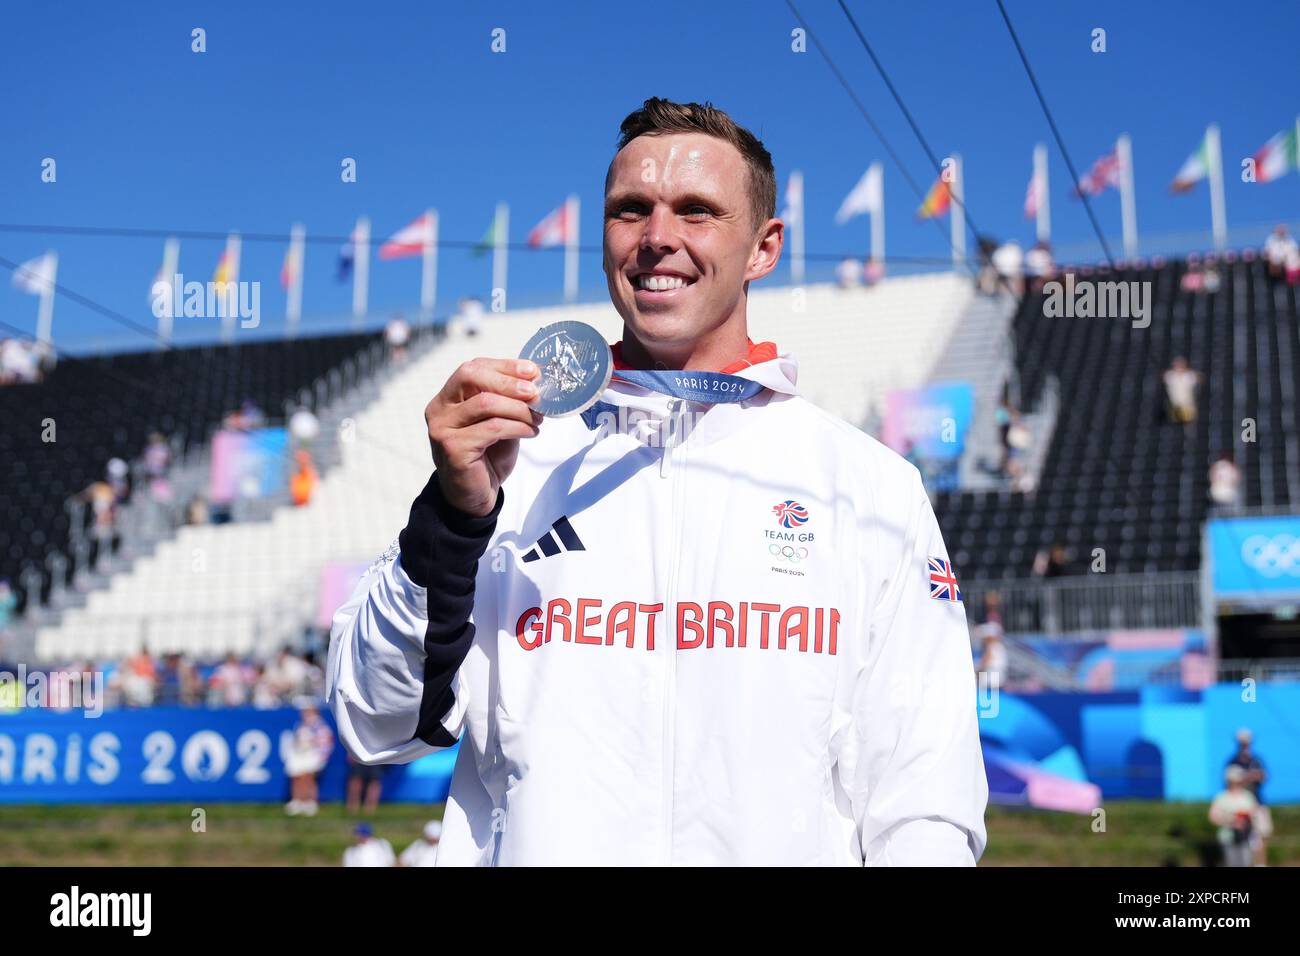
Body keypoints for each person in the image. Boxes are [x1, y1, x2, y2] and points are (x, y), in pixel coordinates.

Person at [327, 97, 988, 866]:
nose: (657, 238)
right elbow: (377, 721)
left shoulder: (869, 486)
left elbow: (924, 801)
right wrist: (451, 518)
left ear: (763, 248)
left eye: (697, 211)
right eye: (630, 210)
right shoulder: (510, 460)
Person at [1227, 728, 1271, 866]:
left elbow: (1263, 776)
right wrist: (1250, 776)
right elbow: (1230, 781)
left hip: (1257, 802)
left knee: (1261, 835)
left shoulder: (1256, 760)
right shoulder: (1233, 761)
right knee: (1241, 837)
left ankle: (1260, 864)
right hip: (1240, 804)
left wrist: (1246, 776)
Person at [284, 701, 334, 816]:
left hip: (311, 756)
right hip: (299, 756)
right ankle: (297, 801)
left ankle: (309, 801)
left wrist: (321, 757)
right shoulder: (301, 725)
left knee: (308, 779)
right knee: (297, 779)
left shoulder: (319, 726)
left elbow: (325, 742)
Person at [1209, 765, 1259, 868]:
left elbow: (1255, 814)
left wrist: (1247, 820)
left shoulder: (1247, 796)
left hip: (1245, 836)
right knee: (1231, 863)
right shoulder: (1222, 797)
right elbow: (1213, 817)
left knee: (1246, 862)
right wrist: (1231, 821)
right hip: (1228, 836)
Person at [1162, 356, 1201, 429]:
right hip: (1175, 406)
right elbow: (1162, 376)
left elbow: (1200, 378)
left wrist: (1188, 371)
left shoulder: (1189, 375)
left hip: (1188, 405)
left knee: (1189, 425)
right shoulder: (1170, 375)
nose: (1178, 367)